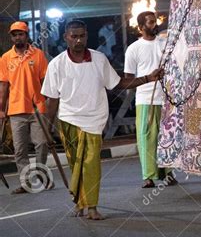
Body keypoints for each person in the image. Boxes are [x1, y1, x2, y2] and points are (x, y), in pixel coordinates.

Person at [41, 19, 161, 220]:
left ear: (87, 36)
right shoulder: (56, 64)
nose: (79, 40)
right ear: (65, 38)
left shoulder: (99, 59)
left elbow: (118, 84)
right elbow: (52, 100)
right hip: (68, 120)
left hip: (95, 121)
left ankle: (92, 206)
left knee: (91, 163)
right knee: (76, 164)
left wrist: (148, 78)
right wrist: (46, 129)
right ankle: (80, 202)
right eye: (74, 36)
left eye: (82, 36)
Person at [124, 12, 176, 188]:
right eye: (151, 23)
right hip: (146, 98)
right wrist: (148, 78)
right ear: (141, 27)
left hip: (167, 97)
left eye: (155, 21)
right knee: (147, 138)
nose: (155, 25)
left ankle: (168, 173)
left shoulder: (165, 44)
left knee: (167, 137)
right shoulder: (133, 49)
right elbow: (128, 78)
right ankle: (148, 176)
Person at [0, 21, 51, 194]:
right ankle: (27, 182)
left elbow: (46, 81)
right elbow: (4, 86)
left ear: (27, 35)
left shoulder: (38, 54)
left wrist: (51, 103)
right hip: (15, 110)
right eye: (14, 34)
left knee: (42, 144)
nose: (17, 37)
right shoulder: (6, 58)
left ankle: (41, 176)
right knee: (20, 149)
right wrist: (1, 109)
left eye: (20, 34)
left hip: (37, 107)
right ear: (11, 37)